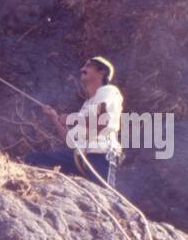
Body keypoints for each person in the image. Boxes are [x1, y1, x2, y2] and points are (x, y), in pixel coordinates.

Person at [25, 56, 122, 184]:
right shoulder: (87, 104)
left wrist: (72, 119)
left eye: (88, 66)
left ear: (102, 71)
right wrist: (54, 118)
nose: (82, 69)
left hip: (101, 156)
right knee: (32, 159)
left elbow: (101, 121)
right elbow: (70, 140)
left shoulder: (109, 90)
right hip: (80, 158)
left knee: (104, 194)